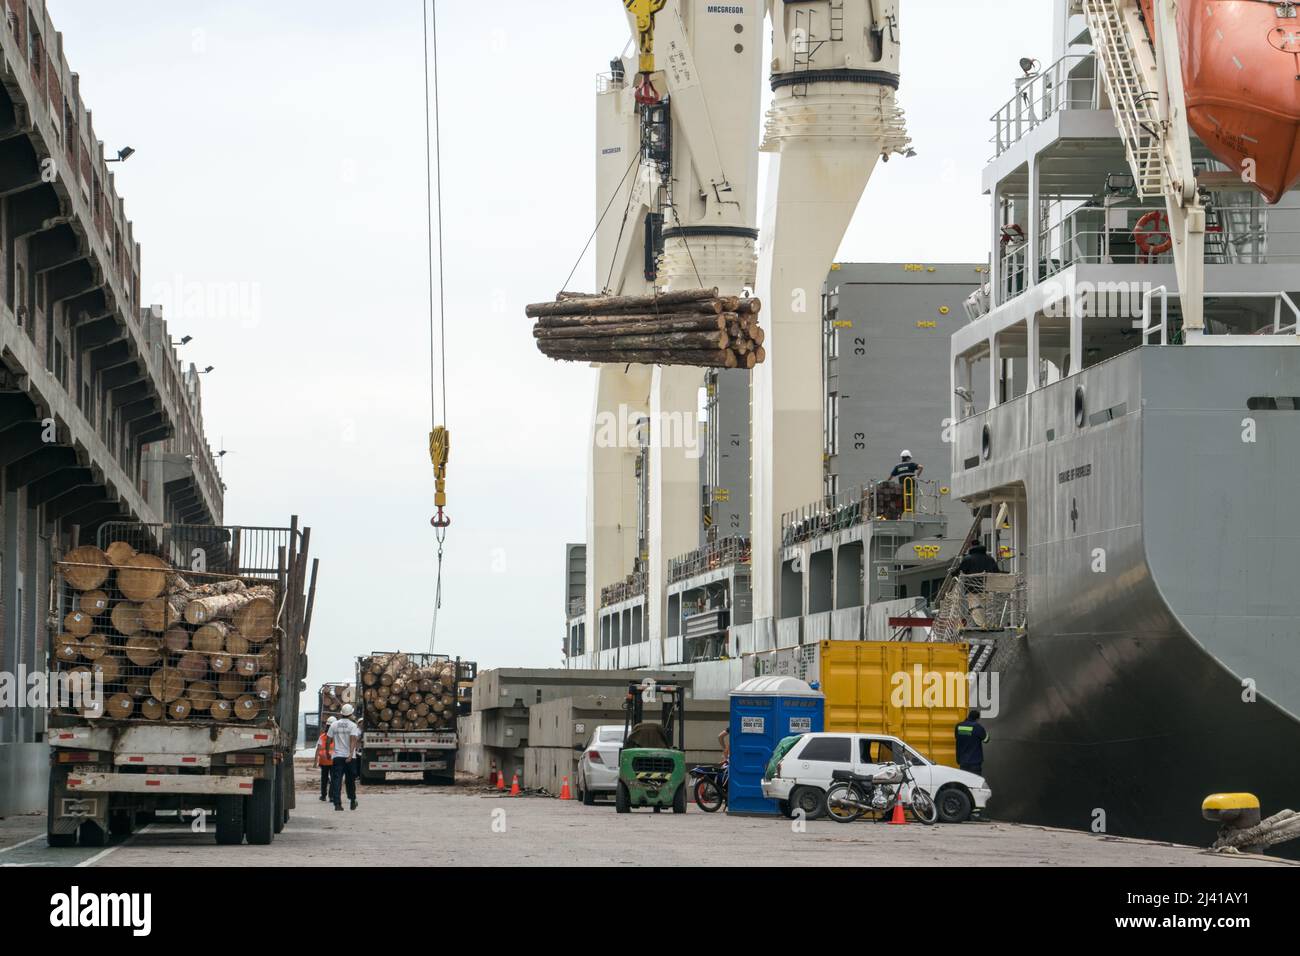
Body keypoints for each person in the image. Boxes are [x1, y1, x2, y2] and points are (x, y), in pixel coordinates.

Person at [328, 704, 363, 811]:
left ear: (342, 713)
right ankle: (352, 800)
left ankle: (337, 804)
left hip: (337, 756)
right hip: (350, 758)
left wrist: (327, 752)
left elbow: (329, 739)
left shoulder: (334, 724)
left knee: (337, 780)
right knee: (350, 781)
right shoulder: (353, 725)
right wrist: (350, 753)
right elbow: (353, 739)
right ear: (351, 714)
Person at [959, 542, 1001, 627]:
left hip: (972, 588)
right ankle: (989, 623)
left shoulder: (967, 559)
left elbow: (960, 570)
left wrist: (954, 574)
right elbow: (996, 571)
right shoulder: (990, 559)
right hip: (987, 587)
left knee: (975, 607)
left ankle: (981, 624)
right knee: (987, 607)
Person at [955, 709, 989, 775]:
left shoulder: (959, 726)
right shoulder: (977, 727)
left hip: (963, 761)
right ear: (977, 719)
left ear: (968, 716)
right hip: (975, 762)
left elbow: (957, 738)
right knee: (975, 783)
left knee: (964, 782)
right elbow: (986, 740)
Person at [315, 716, 336, 802]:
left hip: (324, 761)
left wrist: (315, 761)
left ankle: (323, 795)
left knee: (324, 779)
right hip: (333, 760)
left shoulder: (322, 736)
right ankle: (331, 796)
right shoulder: (336, 736)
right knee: (334, 778)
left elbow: (318, 749)